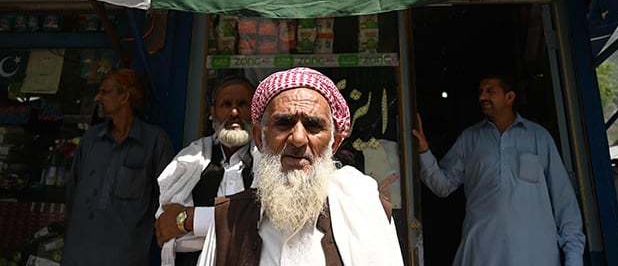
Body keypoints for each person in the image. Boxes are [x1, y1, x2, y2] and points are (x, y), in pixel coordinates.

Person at [197, 67, 403, 266]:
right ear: (260, 138)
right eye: (284, 123)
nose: (297, 139)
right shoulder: (227, 219)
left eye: (313, 126)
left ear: (335, 143)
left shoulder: (365, 209)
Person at [412, 73, 586, 266]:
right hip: (482, 253)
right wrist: (423, 151)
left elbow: (564, 201)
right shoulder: (470, 139)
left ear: (509, 97)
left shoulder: (539, 137)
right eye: (480, 92)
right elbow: (442, 186)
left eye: (490, 91)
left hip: (535, 254)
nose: (482, 97)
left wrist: (573, 258)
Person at [63, 69, 173, 266]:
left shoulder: (155, 141)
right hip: (77, 252)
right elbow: (73, 190)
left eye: (105, 91)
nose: (98, 97)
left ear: (124, 97)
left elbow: (166, 200)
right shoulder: (91, 139)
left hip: (125, 255)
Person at [154, 76, 257, 266]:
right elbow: (166, 230)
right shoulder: (191, 159)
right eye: (226, 104)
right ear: (213, 112)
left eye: (242, 104)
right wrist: (235, 228)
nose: (234, 112)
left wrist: (189, 220)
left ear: (255, 112)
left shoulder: (268, 162)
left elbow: (267, 226)